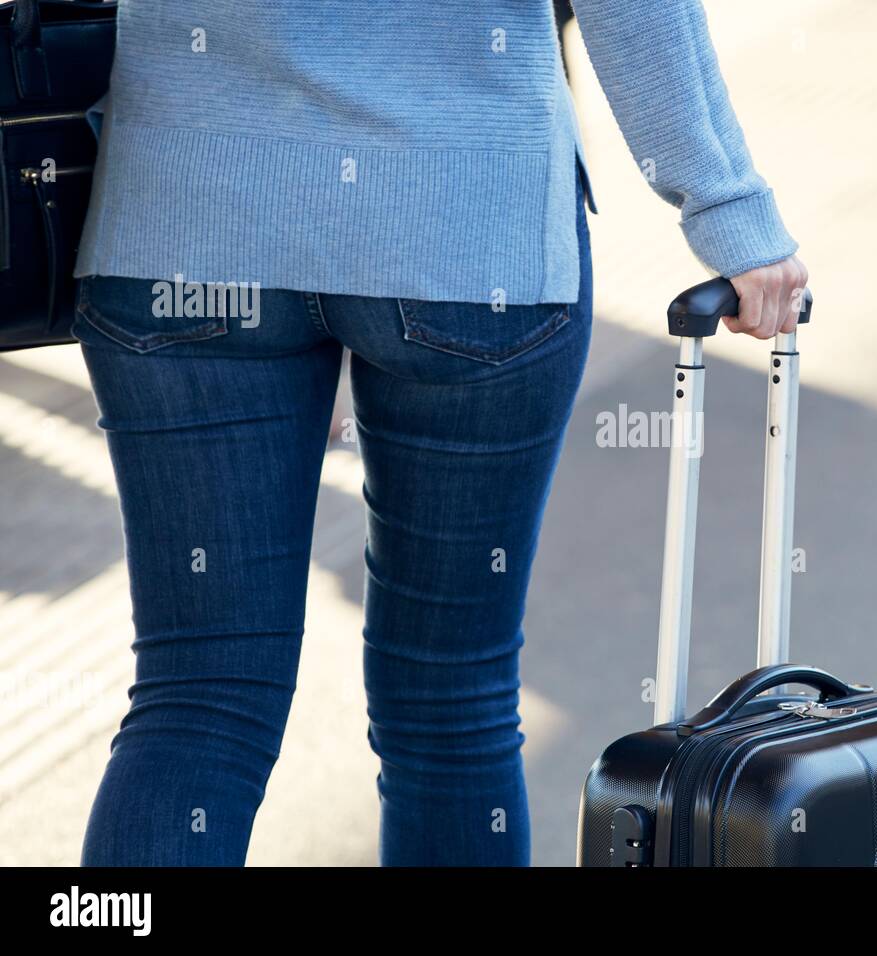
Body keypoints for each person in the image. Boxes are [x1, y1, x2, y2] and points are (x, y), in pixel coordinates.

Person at [72, 0, 808, 866]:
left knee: (196, 700)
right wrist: (729, 210)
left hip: (184, 222)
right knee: (450, 704)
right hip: (465, 233)